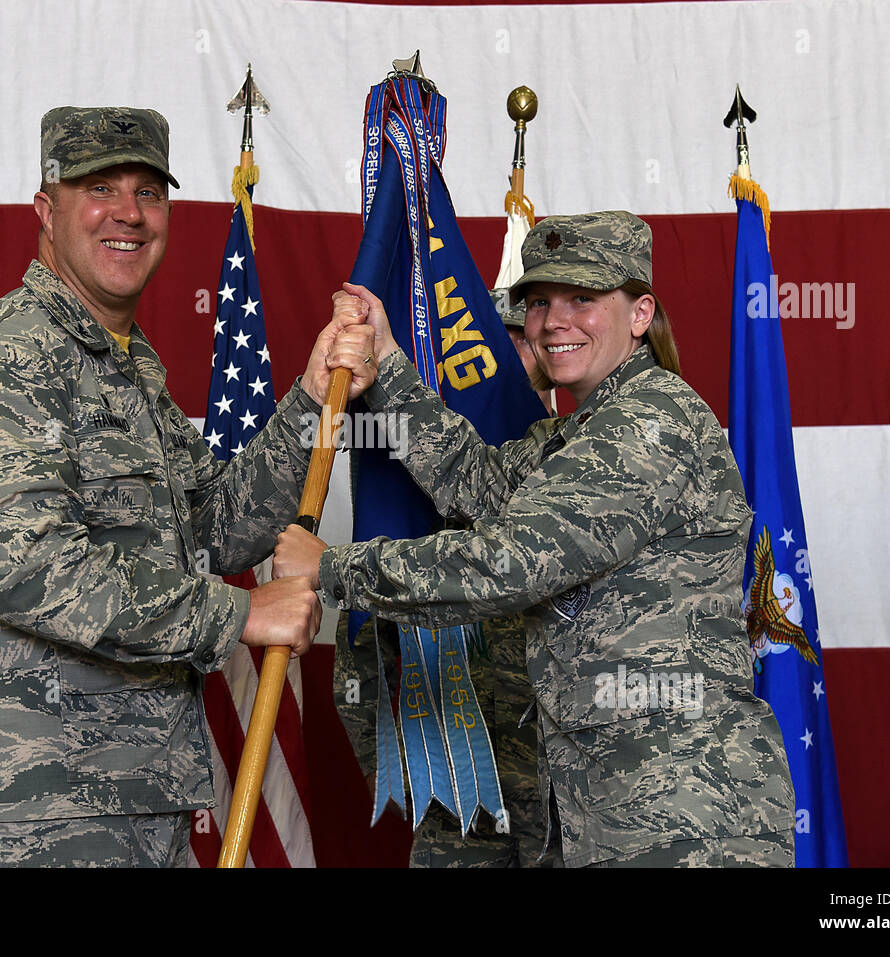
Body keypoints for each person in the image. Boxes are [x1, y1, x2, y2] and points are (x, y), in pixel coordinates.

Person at [0, 106, 377, 867]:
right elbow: (33, 570)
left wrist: (311, 398)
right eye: (100, 187)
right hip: (28, 809)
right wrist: (240, 611)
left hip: (139, 800)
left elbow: (216, 526)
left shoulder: (129, 368)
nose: (128, 212)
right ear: (45, 209)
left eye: (149, 192)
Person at [277, 211, 797, 867]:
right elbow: (477, 483)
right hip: (611, 804)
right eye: (541, 301)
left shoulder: (650, 420)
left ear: (640, 314)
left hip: (686, 811)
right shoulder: (577, 434)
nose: (555, 321)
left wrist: (334, 568)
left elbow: (509, 561)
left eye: (584, 299)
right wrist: (387, 359)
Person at [331, 298, 556, 868]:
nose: (507, 361)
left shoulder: (578, 457)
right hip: (458, 803)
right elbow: (365, 656)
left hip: (571, 805)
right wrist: (415, 767)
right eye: (495, 346)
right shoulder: (417, 500)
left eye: (520, 345)